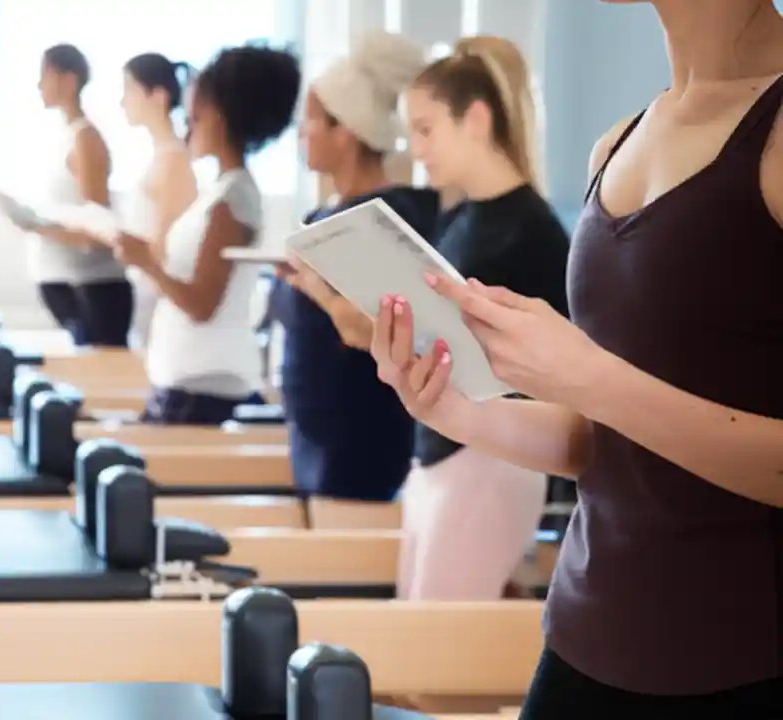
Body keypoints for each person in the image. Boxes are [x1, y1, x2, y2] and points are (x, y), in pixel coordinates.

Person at [365, 1, 783, 715]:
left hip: (741, 662)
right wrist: (461, 411)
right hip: (585, 642)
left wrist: (589, 375)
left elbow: (612, 395)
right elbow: (611, 443)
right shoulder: (616, 144)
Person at [291, 36, 569, 599]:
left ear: (477, 119)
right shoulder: (463, 220)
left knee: (439, 653)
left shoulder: (530, 231)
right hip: (440, 452)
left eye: (425, 129)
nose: (416, 150)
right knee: (419, 642)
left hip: (491, 458)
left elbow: (546, 371)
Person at [273, 30, 437, 503]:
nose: (302, 134)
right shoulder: (323, 216)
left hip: (358, 434)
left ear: (345, 130)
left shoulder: (382, 219)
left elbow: (373, 327)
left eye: (310, 123)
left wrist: (315, 291)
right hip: (312, 429)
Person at [114, 45, 300, 424]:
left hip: (204, 384)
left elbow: (202, 303)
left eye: (195, 118)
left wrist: (146, 262)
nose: (188, 128)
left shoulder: (234, 198)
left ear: (219, 116)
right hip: (186, 377)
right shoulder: (221, 191)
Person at [22, 44, 133, 347]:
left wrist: (36, 226)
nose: (39, 85)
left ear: (68, 80)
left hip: (94, 289)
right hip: (68, 286)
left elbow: (97, 225)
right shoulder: (62, 136)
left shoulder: (85, 138)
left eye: (45, 76)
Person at [118, 53, 198, 353]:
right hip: (144, 290)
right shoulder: (161, 156)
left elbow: (166, 246)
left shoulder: (174, 160)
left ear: (158, 96)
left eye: (129, 89)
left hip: (156, 295)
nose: (123, 101)